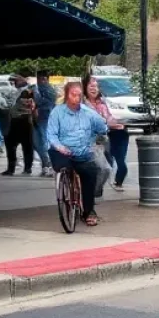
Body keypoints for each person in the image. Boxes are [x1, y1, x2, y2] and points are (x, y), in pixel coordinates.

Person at [46, 79, 109, 227]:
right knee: (64, 166)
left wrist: (101, 132)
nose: (76, 98)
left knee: (91, 173)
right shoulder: (57, 112)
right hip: (61, 151)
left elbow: (102, 127)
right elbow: (51, 134)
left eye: (79, 95)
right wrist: (60, 147)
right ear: (67, 95)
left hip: (81, 153)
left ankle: (88, 211)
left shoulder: (88, 113)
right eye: (73, 95)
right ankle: (67, 193)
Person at [82, 75, 128, 192]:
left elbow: (108, 118)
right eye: (91, 86)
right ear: (85, 87)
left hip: (102, 139)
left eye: (96, 86)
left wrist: (115, 123)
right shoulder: (82, 104)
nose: (94, 89)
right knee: (96, 167)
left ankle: (97, 190)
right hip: (87, 141)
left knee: (106, 168)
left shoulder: (101, 103)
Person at [3, 77, 36, 176]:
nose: (14, 83)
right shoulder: (25, 91)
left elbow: (12, 105)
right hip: (22, 120)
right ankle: (25, 168)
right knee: (26, 146)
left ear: (22, 81)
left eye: (15, 81)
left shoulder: (25, 92)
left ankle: (14, 168)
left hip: (21, 120)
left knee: (16, 145)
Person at [33, 69, 58, 177]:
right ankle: (45, 165)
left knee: (44, 142)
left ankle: (49, 165)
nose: (38, 81)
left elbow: (39, 101)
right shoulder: (41, 88)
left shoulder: (47, 89)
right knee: (36, 143)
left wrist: (35, 92)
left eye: (39, 78)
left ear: (44, 79)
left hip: (46, 118)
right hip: (39, 119)